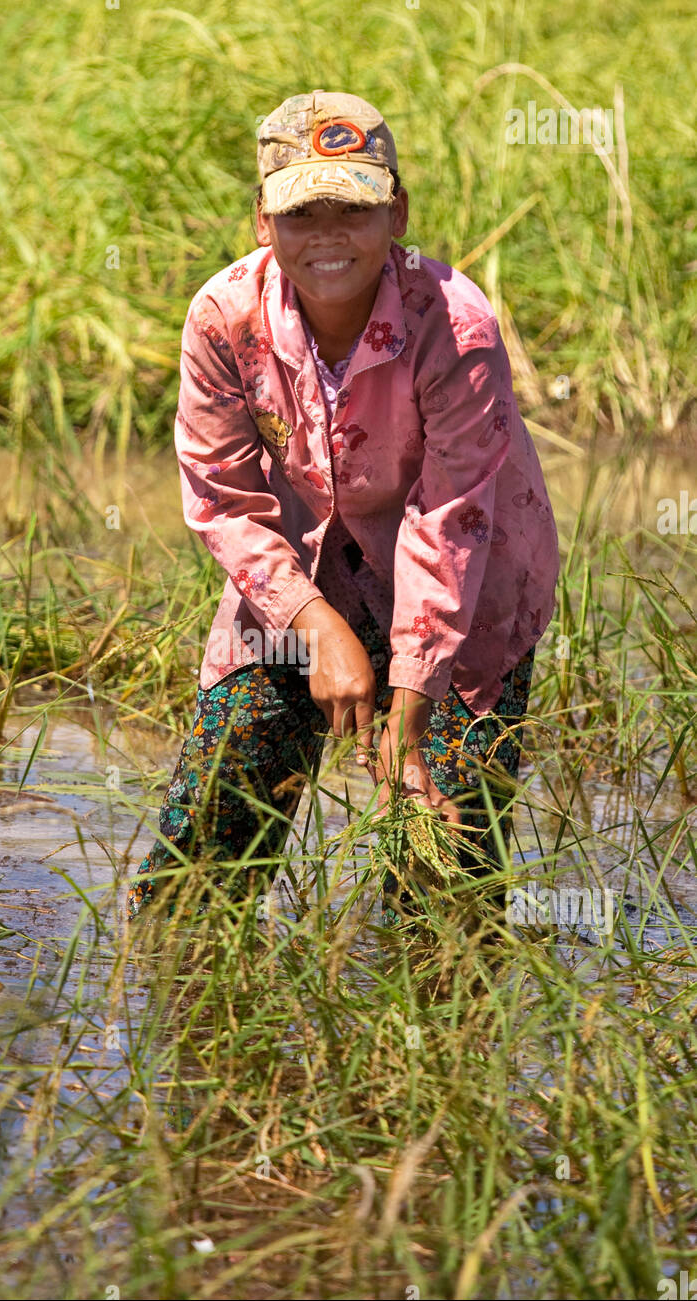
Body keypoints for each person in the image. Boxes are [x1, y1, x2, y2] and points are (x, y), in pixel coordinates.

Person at [126, 88, 559, 924]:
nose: (327, 237)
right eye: (302, 213)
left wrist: (411, 705)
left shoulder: (455, 327)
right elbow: (223, 498)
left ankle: (445, 1032)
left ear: (395, 212)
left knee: (444, 878)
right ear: (263, 220)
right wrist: (316, 625)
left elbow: (451, 521)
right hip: (302, 572)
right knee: (203, 859)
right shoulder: (224, 317)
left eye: (353, 211)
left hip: (466, 598)